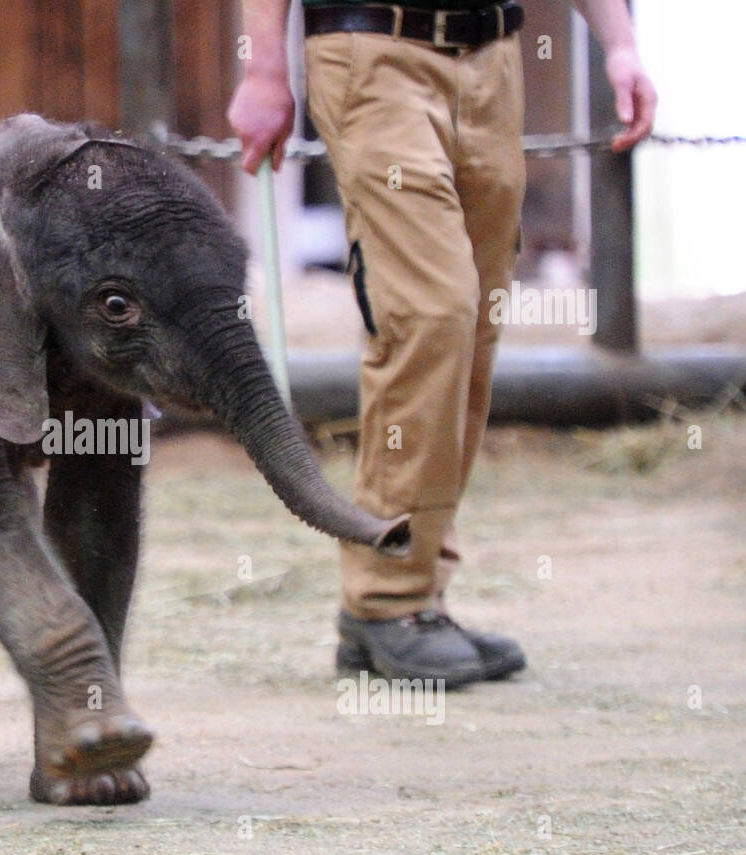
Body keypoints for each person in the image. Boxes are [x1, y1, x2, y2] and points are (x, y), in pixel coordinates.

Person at [227, 1, 656, 685]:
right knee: (431, 315)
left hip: (493, 56)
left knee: (474, 327)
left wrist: (621, 44)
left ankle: (418, 592)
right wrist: (264, 67)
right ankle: (385, 599)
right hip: (373, 52)